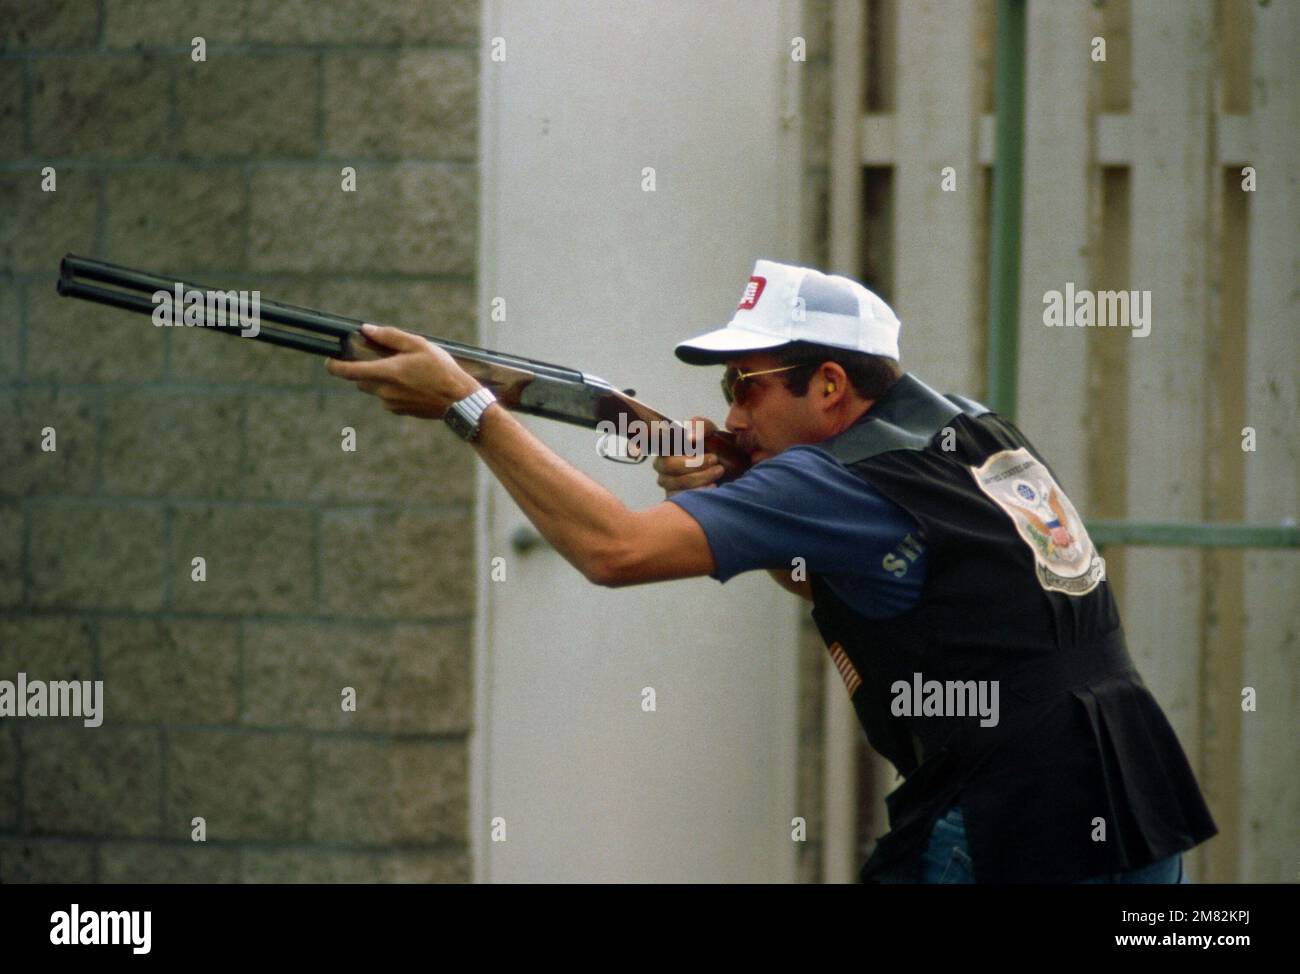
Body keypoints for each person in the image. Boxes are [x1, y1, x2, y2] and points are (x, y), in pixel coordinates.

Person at [325, 258, 1218, 883]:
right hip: (1128, 793)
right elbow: (895, 578)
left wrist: (470, 406)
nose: (733, 411)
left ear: (828, 386)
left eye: (745, 387)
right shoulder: (968, 427)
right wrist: (749, 501)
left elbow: (612, 552)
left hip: (1013, 821)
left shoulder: (827, 478)